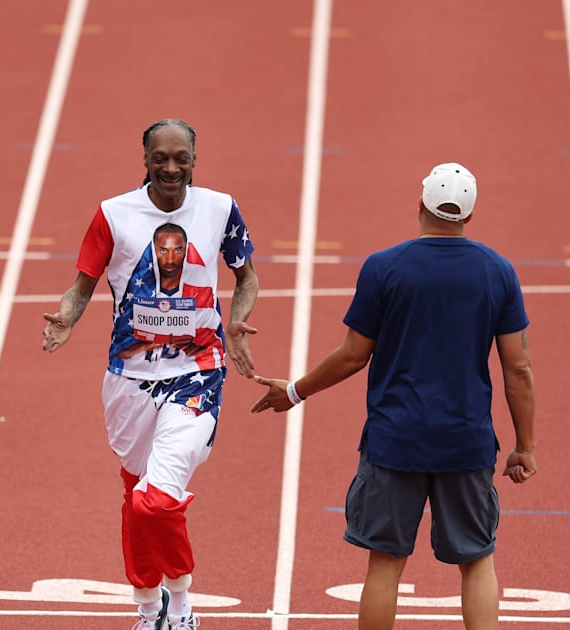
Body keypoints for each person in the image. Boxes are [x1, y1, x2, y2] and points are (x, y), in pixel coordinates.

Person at [251, 163, 536, 630]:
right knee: (478, 561)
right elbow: (518, 367)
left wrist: (296, 391)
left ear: (420, 204)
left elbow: (353, 355)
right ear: (470, 215)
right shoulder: (498, 272)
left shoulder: (384, 267)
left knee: (385, 564)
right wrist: (525, 445)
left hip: (394, 440)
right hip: (466, 442)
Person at [42, 119, 260, 630]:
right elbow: (81, 286)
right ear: (144, 158)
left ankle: (181, 606)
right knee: (135, 495)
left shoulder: (220, 208)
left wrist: (238, 321)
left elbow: (245, 275)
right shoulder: (114, 216)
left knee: (155, 501)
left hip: (199, 373)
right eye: (160, 157)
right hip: (128, 380)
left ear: (194, 160)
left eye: (180, 157)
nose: (170, 167)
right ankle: (147, 609)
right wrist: (66, 318)